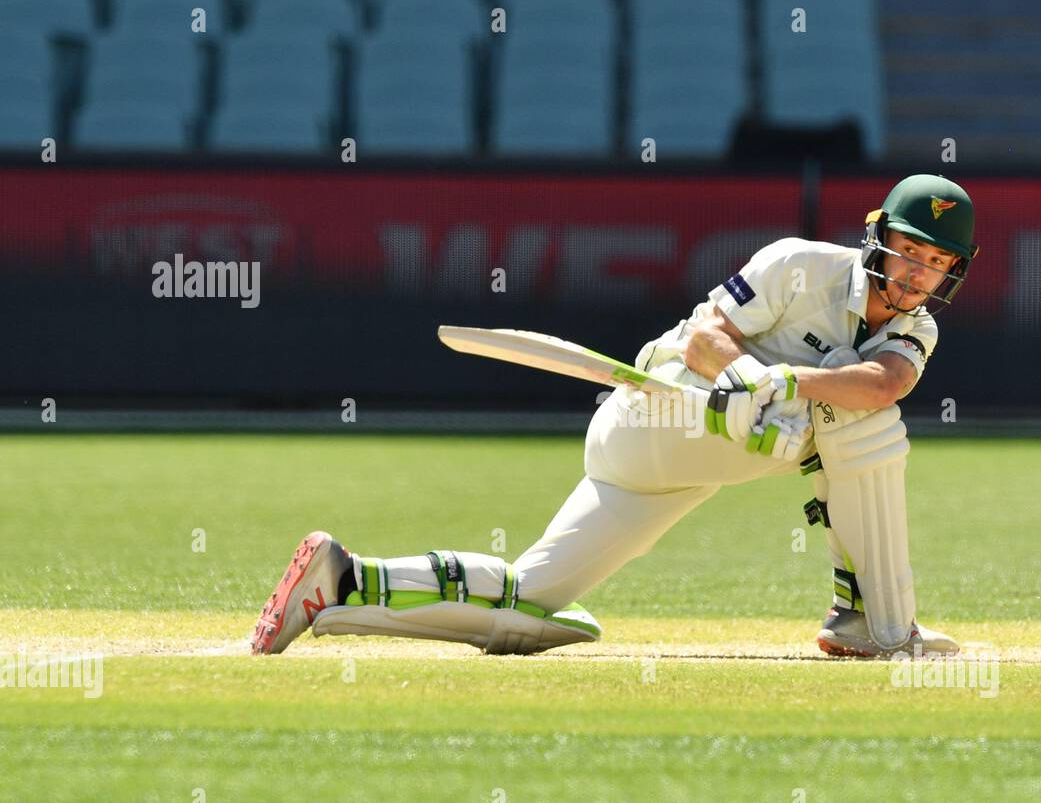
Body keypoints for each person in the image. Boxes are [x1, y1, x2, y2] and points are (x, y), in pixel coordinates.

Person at [251, 173, 979, 659]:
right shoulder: (800, 265)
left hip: (681, 471)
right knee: (850, 425)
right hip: (659, 417)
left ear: (952, 272)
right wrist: (748, 385)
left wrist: (783, 386)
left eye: (935, 263)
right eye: (908, 251)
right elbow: (702, 339)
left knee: (528, 606)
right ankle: (876, 627)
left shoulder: (913, 328)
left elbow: (882, 384)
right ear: (878, 239)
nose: (917, 273)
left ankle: (341, 582)